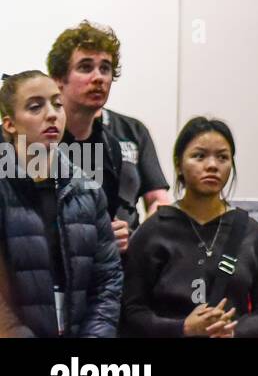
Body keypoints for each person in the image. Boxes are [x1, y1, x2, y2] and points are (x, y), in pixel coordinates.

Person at [121, 117, 258, 337]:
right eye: (199, 156)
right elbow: (130, 312)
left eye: (222, 157)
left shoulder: (250, 232)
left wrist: (233, 332)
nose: (212, 165)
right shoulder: (153, 232)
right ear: (179, 164)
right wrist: (182, 329)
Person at [0, 71, 122, 337]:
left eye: (57, 103)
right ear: (9, 124)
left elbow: (107, 281)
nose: (52, 114)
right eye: (36, 106)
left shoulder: (87, 190)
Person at [46, 21, 171, 252]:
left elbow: (159, 201)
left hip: (123, 264)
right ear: (58, 79)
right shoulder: (40, 135)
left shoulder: (131, 131)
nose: (99, 78)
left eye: (105, 69)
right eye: (85, 67)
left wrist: (137, 236)